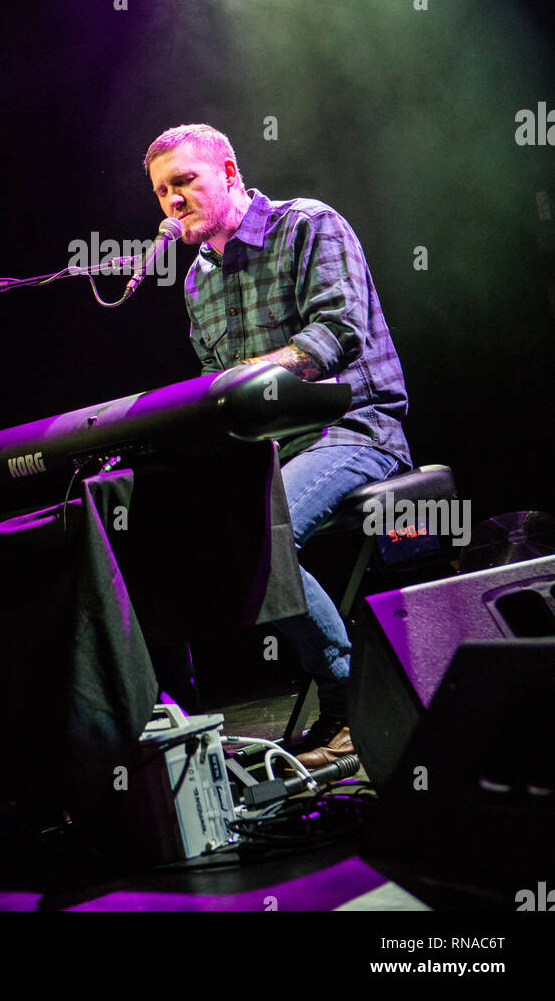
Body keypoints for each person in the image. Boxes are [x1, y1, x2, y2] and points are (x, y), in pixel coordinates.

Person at [144, 123, 412, 768]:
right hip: (267, 450)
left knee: (261, 530)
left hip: (354, 427)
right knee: (170, 528)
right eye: (161, 191)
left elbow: (336, 332)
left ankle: (352, 704)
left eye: (185, 181)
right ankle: (180, 727)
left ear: (229, 173)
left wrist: (245, 379)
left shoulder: (308, 225)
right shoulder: (197, 280)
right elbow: (217, 390)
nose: (173, 200)